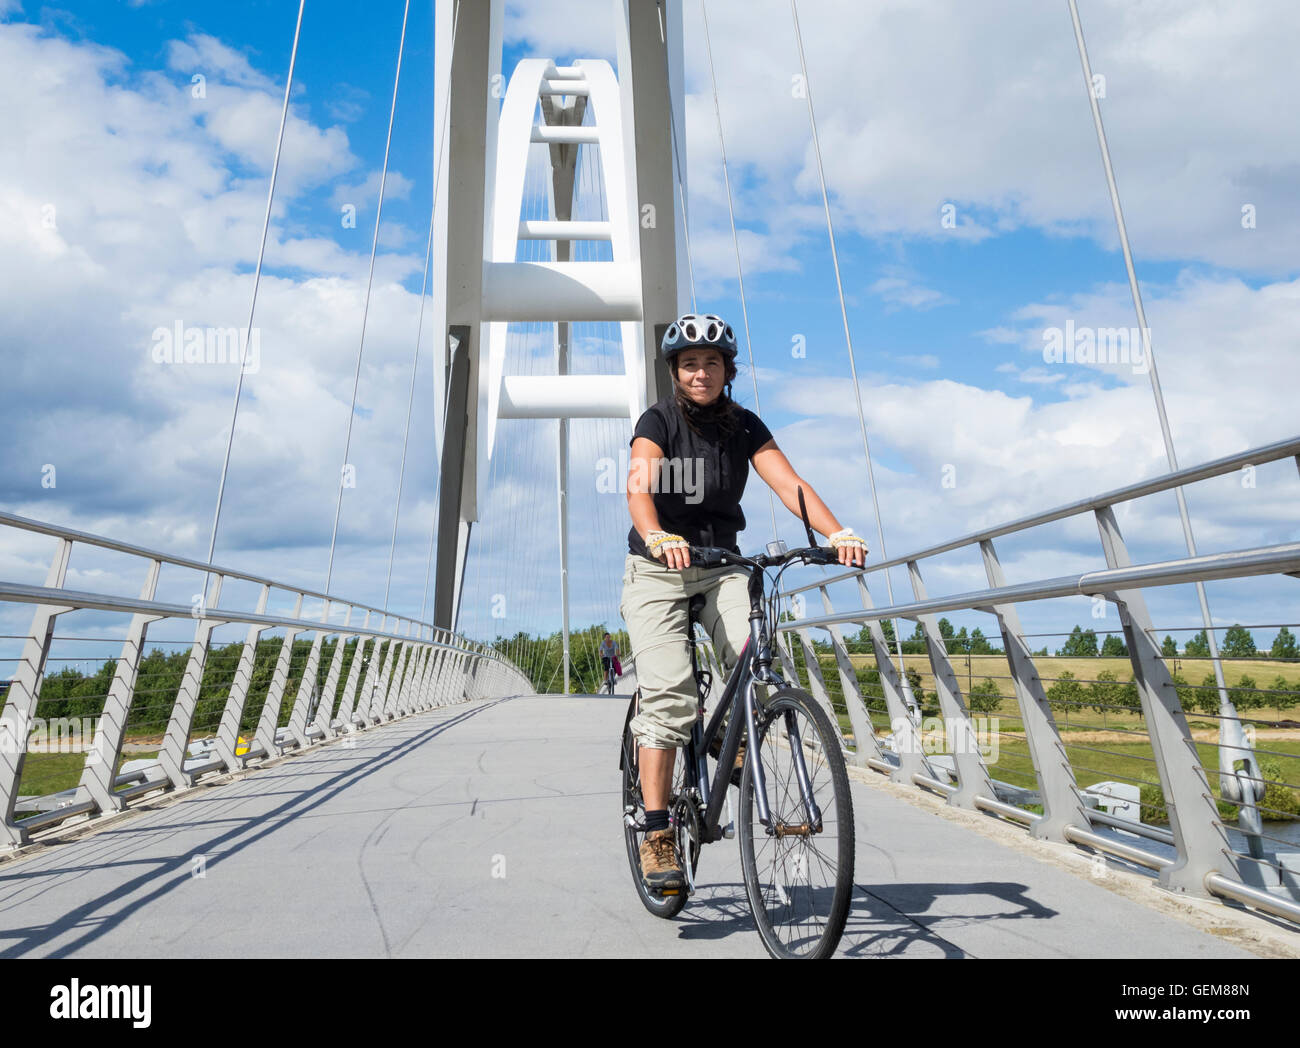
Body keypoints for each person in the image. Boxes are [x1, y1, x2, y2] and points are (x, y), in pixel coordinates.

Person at [620, 312, 866, 892]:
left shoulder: (745, 424)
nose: (700, 373)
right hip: (659, 569)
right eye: (688, 365)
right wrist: (656, 534)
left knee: (752, 657)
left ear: (727, 369)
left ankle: (732, 741)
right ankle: (657, 833)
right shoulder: (657, 421)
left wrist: (836, 533)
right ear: (675, 372)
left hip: (723, 564)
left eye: (711, 363)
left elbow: (790, 485)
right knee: (670, 698)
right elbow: (638, 484)